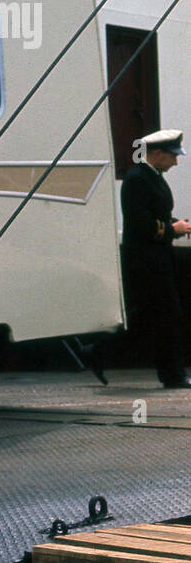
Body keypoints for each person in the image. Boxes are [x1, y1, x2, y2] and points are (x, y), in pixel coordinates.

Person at [120, 128, 191, 388]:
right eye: (173, 156)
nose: (176, 161)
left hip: (157, 258)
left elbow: (156, 213)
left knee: (155, 318)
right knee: (167, 316)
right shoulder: (137, 179)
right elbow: (141, 223)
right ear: (157, 154)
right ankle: (173, 376)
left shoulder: (152, 177)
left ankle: (94, 353)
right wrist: (173, 229)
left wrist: (177, 223)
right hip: (145, 262)